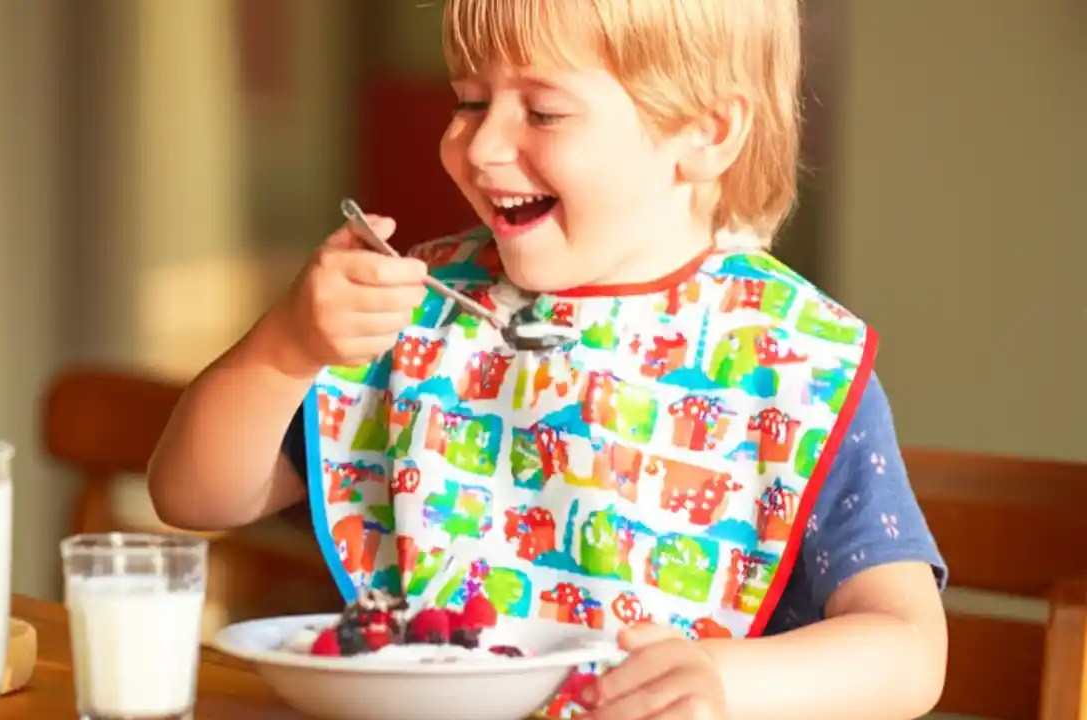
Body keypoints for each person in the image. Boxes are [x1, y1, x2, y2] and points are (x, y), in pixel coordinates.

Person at [148, 1, 948, 717]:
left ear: (706, 130)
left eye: (543, 110)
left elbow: (909, 646)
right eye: (467, 99)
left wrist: (722, 678)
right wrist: (285, 348)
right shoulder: (418, 312)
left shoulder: (789, 364)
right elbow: (193, 495)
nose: (481, 142)